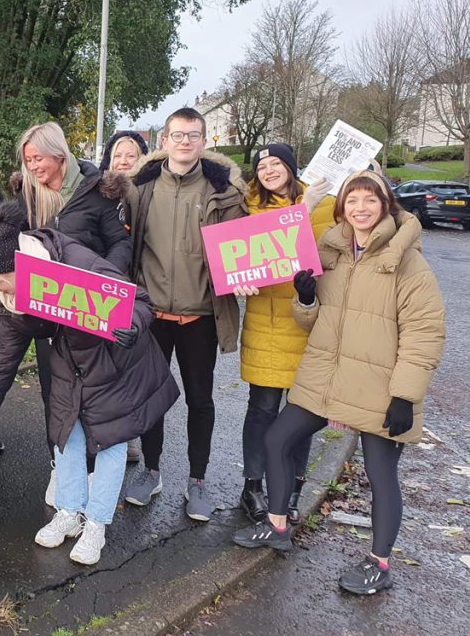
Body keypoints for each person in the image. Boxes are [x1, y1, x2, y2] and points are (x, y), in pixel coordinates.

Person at [234, 170, 445, 596]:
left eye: (370, 200)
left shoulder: (408, 261)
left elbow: (425, 332)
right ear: (342, 206)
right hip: (325, 376)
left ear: (385, 206)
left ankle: (379, 562)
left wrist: (404, 395)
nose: (361, 208)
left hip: (379, 385)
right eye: (353, 200)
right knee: (277, 440)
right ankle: (277, 525)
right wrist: (306, 297)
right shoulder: (330, 252)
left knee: (380, 472)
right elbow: (310, 320)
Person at [0, 202, 178, 565]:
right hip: (69, 362)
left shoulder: (76, 260)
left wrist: (132, 324)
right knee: (65, 433)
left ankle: (96, 523)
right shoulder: (12, 295)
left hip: (115, 362)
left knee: (110, 440)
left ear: (19, 265)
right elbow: (3, 360)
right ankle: (68, 511)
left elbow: (140, 301)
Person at [0, 121, 132, 501]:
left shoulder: (97, 192)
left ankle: (90, 473)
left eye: (39, 158)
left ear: (59, 154)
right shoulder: (28, 194)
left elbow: (120, 243)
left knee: (87, 392)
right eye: (27, 160)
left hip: (87, 306)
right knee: (54, 391)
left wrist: (108, 282)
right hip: (43, 305)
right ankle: (61, 466)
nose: (33, 166)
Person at [122, 107, 246, 521]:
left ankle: (197, 482)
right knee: (152, 398)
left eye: (193, 135)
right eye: (177, 134)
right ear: (164, 140)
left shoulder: (224, 191)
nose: (185, 142)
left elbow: (241, 247)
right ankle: (152, 472)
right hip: (152, 313)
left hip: (201, 316)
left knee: (200, 401)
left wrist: (243, 274)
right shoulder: (140, 188)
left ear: (204, 141)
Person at [233, 144, 334, 524]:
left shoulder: (324, 201)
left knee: (301, 414)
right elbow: (246, 253)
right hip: (267, 322)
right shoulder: (251, 207)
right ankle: (253, 487)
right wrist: (237, 278)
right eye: (262, 165)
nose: (269, 170)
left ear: (292, 167)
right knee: (261, 410)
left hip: (311, 321)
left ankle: (292, 490)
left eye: (277, 163)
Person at [98, 130, 150, 464]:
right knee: (107, 366)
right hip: (108, 284)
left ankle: (131, 435)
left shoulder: (150, 191)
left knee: (134, 367)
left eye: (131, 154)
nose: (124, 160)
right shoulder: (100, 194)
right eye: (118, 154)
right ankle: (107, 430)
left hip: (143, 286)